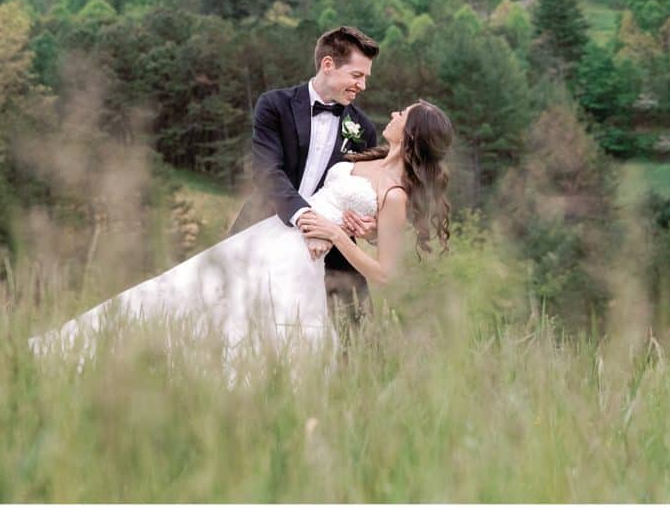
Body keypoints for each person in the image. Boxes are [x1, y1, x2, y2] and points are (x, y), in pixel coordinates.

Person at [30, 101, 454, 363]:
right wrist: (362, 228)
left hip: (302, 257)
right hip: (273, 233)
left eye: (404, 114)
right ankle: (86, 345)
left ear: (412, 133)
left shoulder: (396, 194)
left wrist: (340, 234)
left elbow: (385, 274)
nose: (395, 114)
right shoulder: (373, 158)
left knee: (249, 318)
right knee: (191, 286)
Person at [228, 26, 382, 316]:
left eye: (365, 78)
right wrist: (307, 219)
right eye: (357, 76)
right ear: (328, 65)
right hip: (266, 225)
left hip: (333, 251)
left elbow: (365, 194)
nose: (362, 86)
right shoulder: (274, 105)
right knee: (238, 313)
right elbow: (267, 172)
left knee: (356, 335)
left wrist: (371, 230)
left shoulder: (364, 128)